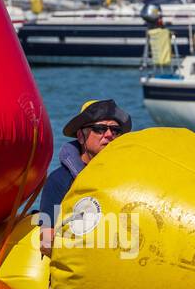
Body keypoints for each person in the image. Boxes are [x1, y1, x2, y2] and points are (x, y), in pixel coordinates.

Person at [37, 98, 131, 257]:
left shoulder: (128, 177)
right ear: (81, 136)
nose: (109, 135)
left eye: (115, 130)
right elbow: (46, 242)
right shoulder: (59, 180)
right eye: (99, 129)